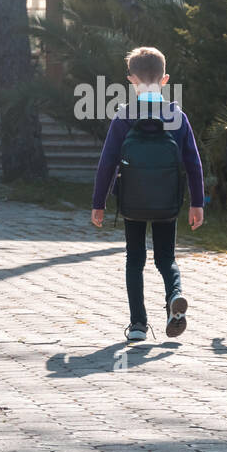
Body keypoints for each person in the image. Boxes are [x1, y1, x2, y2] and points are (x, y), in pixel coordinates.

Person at [91, 47, 205, 342]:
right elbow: (193, 162)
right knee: (166, 258)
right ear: (164, 79)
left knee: (135, 260)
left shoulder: (124, 116)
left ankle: (139, 325)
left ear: (131, 80)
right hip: (167, 202)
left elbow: (107, 163)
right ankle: (175, 296)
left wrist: (99, 203)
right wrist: (197, 203)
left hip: (133, 202)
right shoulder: (177, 117)